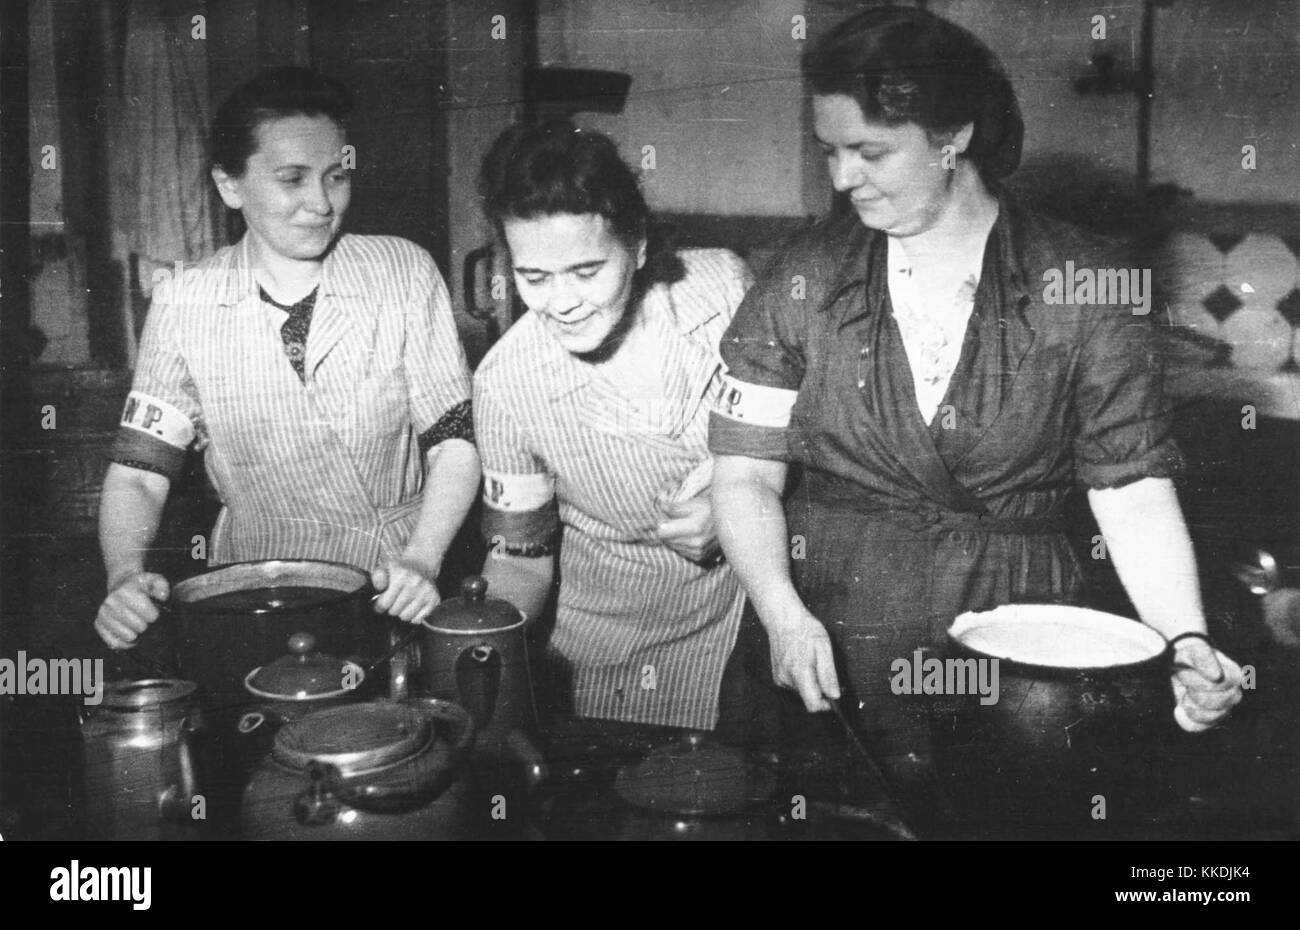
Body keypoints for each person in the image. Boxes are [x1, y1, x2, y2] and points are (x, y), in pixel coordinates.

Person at [709, 8, 1242, 807]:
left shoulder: (1085, 282)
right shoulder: (804, 276)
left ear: (953, 136)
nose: (842, 178)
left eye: (870, 151)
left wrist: (1186, 637)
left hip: (1014, 659)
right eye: (830, 151)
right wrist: (783, 615)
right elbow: (745, 474)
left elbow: (1129, 487)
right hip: (822, 632)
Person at [94, 67, 480, 650]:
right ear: (229, 185)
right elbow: (140, 475)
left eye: (335, 176)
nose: (320, 204)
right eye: (292, 179)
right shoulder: (184, 300)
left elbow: (454, 441)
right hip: (256, 592)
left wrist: (423, 559)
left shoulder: (402, 271)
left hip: (394, 583)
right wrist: (123, 575)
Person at [473, 120, 755, 733]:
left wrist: (742, 501)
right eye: (534, 278)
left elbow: (811, 427)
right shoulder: (506, 384)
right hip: (623, 655)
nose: (562, 302)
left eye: (586, 270)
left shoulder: (724, 288)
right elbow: (521, 560)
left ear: (640, 246)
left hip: (761, 623)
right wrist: (482, 664)